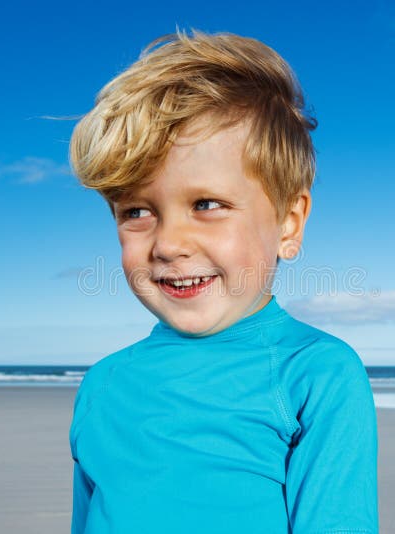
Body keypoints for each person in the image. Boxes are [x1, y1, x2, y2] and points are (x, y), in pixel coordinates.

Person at [67, 30, 378, 534]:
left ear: (289, 224)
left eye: (206, 205)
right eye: (137, 211)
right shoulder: (102, 384)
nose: (168, 244)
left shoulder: (315, 373)